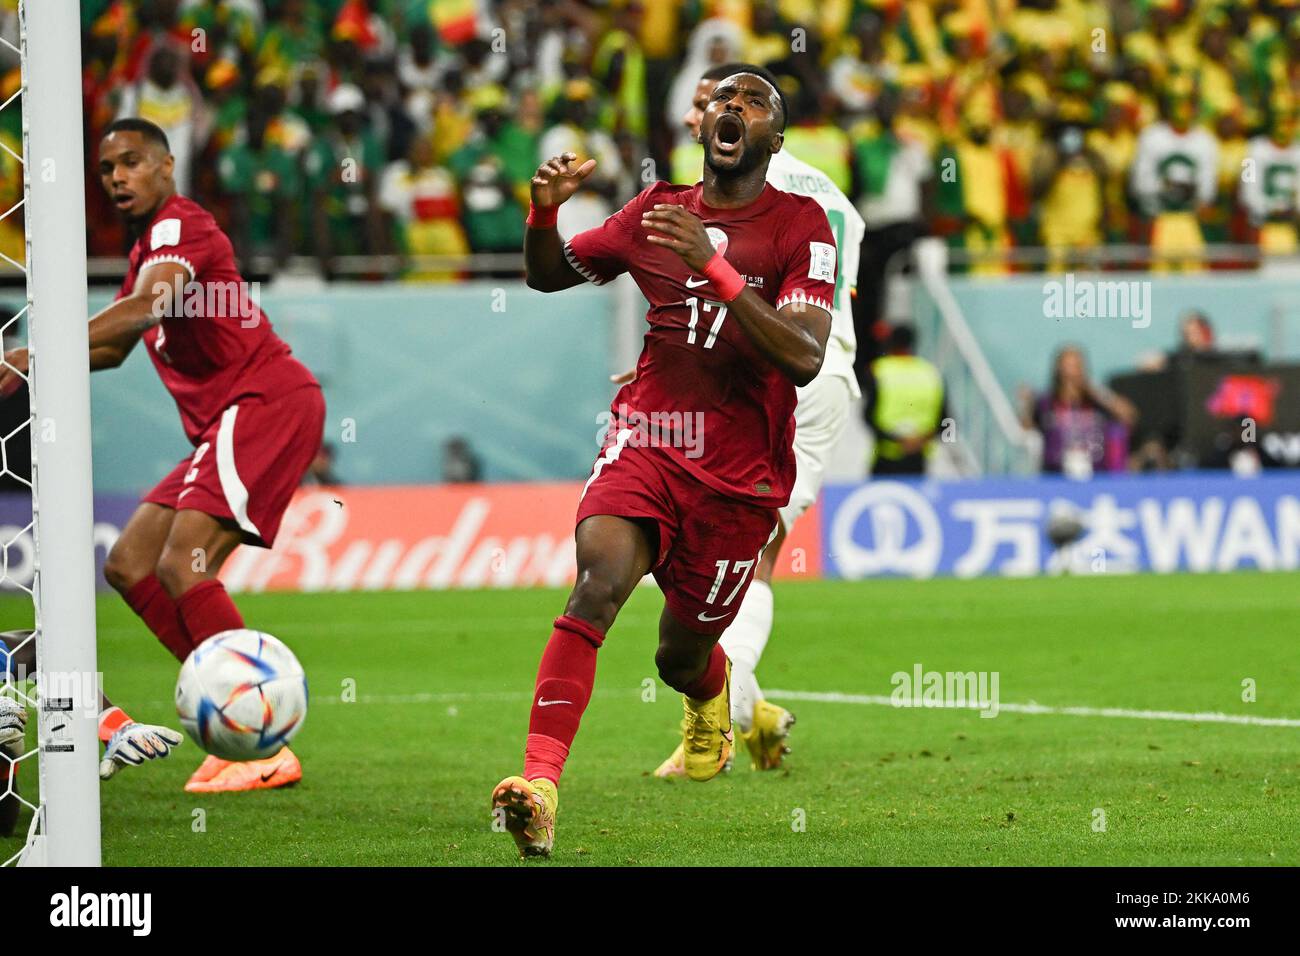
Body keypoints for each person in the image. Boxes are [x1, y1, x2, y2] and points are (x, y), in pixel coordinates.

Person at [492, 70, 836, 858]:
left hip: (741, 477)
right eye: (725, 99)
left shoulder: (800, 225)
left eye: (755, 104)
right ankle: (540, 786)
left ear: (775, 141)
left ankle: (712, 699)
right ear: (702, 125)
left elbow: (805, 356)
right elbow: (548, 273)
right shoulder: (656, 211)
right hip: (649, 439)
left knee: (678, 654)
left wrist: (716, 274)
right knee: (599, 581)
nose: (734, 109)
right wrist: (542, 214)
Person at [0, 118, 325, 794]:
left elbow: (148, 309)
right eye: (106, 169)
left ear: (168, 165)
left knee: (185, 560)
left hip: (263, 402)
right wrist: (30, 362)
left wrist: (46, 344)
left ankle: (259, 741)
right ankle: (230, 707)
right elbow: (115, 345)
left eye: (131, 161)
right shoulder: (152, 245)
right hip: (227, 422)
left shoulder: (181, 225)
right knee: (131, 563)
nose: (117, 176)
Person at [642, 62, 863, 779]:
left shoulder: (768, 199)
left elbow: (795, 314)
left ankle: (722, 717)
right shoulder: (828, 195)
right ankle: (752, 709)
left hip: (790, 374)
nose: (701, 119)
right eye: (707, 104)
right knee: (691, 553)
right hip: (768, 371)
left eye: (710, 103)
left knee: (750, 546)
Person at [1020, 346, 1136, 478]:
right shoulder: (1046, 403)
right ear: (1058, 370)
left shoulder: (1097, 402)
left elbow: (1128, 415)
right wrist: (1026, 405)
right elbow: (1025, 429)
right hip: (1055, 475)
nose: (1072, 373)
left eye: (1077, 366)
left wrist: (1097, 392)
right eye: (1068, 366)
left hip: (1097, 474)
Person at [864, 324, 946, 475]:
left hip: (885, 458)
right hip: (919, 459)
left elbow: (868, 417)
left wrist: (899, 440)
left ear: (891, 342)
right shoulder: (931, 373)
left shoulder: (879, 370)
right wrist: (919, 440)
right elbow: (947, 422)